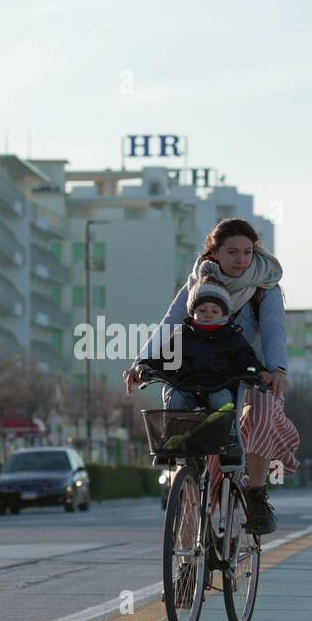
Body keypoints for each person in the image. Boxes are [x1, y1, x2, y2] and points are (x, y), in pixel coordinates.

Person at [125, 218, 300, 535]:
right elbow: (170, 324)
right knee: (186, 442)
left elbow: (275, 330)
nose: (241, 260)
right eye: (232, 252)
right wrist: (142, 364)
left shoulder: (265, 288)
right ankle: (187, 561)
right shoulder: (196, 286)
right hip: (199, 375)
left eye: (247, 252)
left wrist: (277, 370)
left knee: (261, 414)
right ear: (214, 253)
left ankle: (257, 495)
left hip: (253, 373)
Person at [137, 269, 273, 464]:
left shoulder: (232, 336)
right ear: (192, 312)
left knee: (222, 400)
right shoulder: (183, 335)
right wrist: (145, 367)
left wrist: (260, 372)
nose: (208, 315)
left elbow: (246, 358)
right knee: (172, 394)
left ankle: (230, 440)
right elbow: (162, 358)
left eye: (214, 311)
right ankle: (170, 441)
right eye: (202, 310)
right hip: (187, 387)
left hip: (219, 385)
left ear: (224, 313)